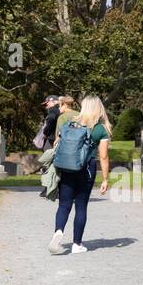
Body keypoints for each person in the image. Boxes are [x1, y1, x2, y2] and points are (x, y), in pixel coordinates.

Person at [48, 96, 111, 255]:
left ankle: (58, 231)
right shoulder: (100, 129)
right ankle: (77, 244)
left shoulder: (70, 123)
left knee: (64, 204)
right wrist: (105, 178)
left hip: (66, 167)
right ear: (99, 108)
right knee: (81, 206)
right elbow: (103, 156)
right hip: (86, 169)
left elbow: (57, 143)